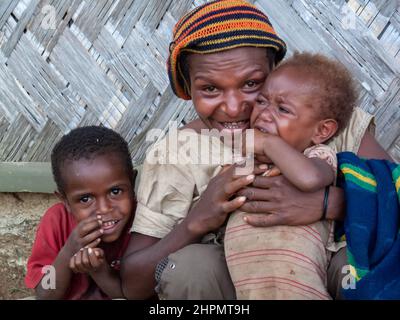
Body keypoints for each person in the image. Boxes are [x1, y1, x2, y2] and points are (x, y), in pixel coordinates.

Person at [121, 0, 392, 300]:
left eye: (251, 84)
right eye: (210, 88)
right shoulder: (177, 152)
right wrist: (197, 220)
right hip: (237, 289)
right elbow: (133, 285)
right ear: (188, 87)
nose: (234, 107)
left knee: (357, 263)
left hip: (324, 279)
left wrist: (330, 204)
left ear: (275, 71)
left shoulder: (329, 117)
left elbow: (394, 196)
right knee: (190, 269)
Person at [225, 52, 357, 299]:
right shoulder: (248, 158)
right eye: (262, 101)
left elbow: (309, 179)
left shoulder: (317, 155)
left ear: (322, 130)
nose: (264, 114)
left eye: (283, 109)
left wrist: (267, 143)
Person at [25, 126, 137, 299]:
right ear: (65, 202)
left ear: (133, 183)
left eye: (115, 192)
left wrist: (98, 270)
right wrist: (69, 251)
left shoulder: (143, 223)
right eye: (85, 199)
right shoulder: (57, 221)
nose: (104, 208)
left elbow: (135, 295)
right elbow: (44, 294)